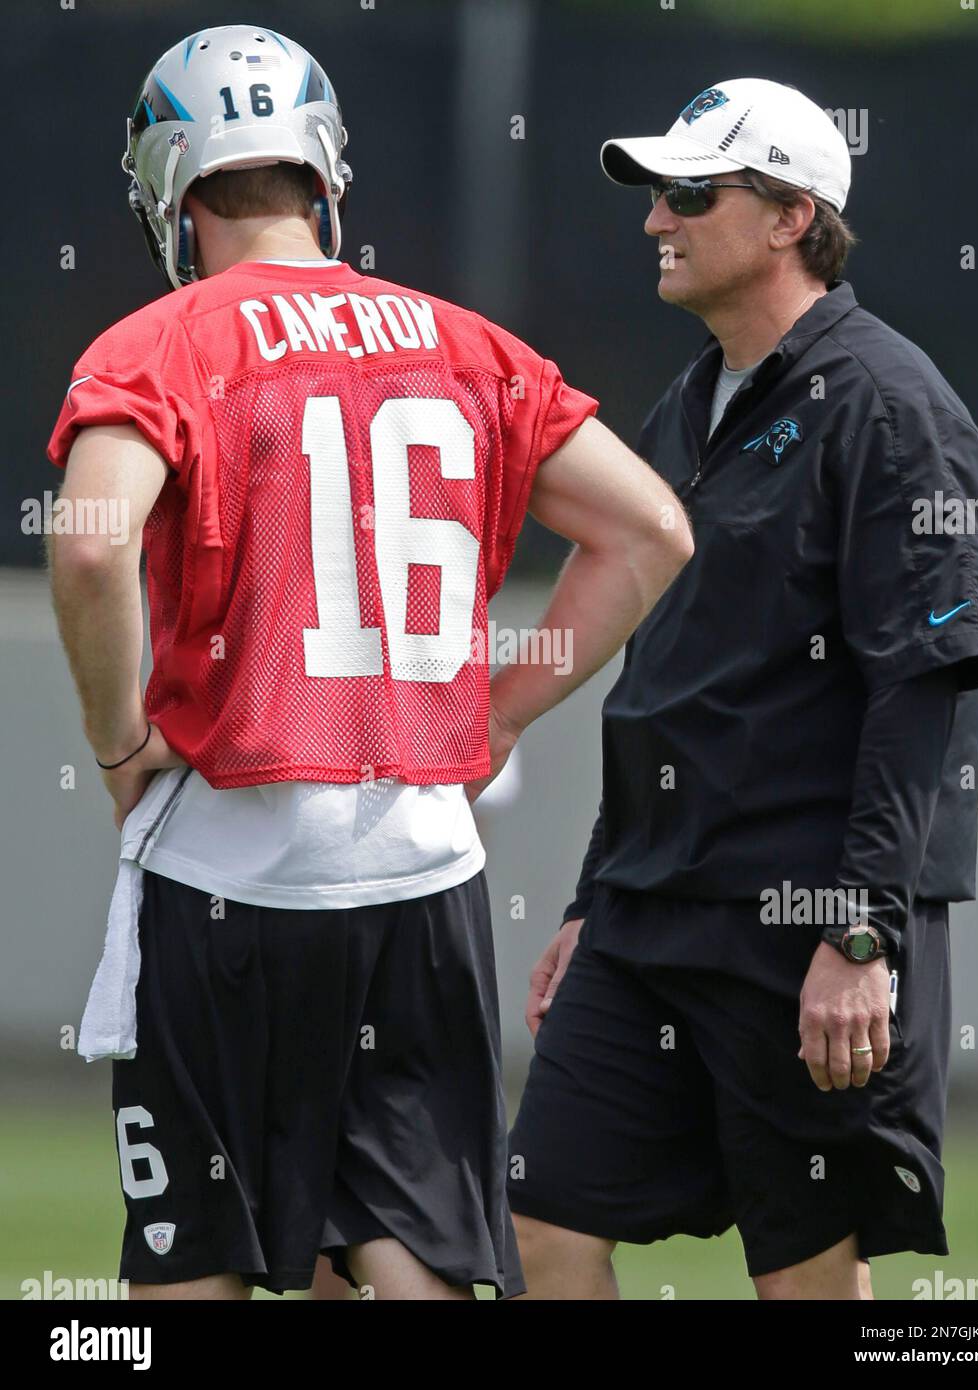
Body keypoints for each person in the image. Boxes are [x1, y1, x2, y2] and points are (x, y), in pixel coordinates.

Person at [45, 25, 693, 1302]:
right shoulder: (462, 341)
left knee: (190, 1274)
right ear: (324, 170)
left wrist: (119, 741)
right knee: (414, 1263)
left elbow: (88, 546)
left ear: (169, 183)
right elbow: (653, 528)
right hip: (416, 867)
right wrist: (499, 710)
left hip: (224, 867)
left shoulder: (164, 341)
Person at [507, 77, 978, 1300]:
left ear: (791, 217)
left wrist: (859, 933)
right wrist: (595, 894)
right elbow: (663, 683)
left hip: (801, 928)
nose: (653, 222)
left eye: (690, 193)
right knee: (535, 1218)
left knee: (801, 1275)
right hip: (649, 912)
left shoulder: (893, 408)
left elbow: (923, 687)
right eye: (655, 195)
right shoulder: (689, 405)